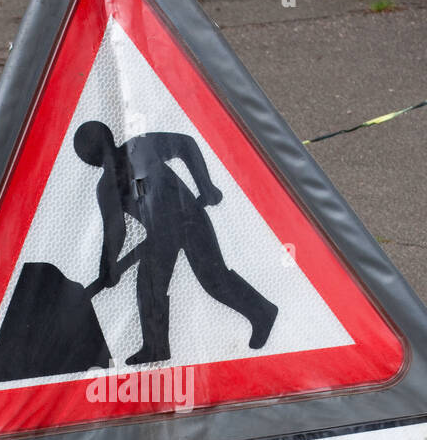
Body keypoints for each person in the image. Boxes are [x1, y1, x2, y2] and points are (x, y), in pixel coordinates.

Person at [73, 120, 278, 364]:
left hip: (189, 218)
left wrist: (206, 185)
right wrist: (107, 268)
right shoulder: (108, 184)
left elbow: (185, 144)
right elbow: (115, 231)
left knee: (214, 280)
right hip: (159, 236)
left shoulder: (139, 147)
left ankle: (262, 312)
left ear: (88, 159)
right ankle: (155, 346)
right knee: (148, 287)